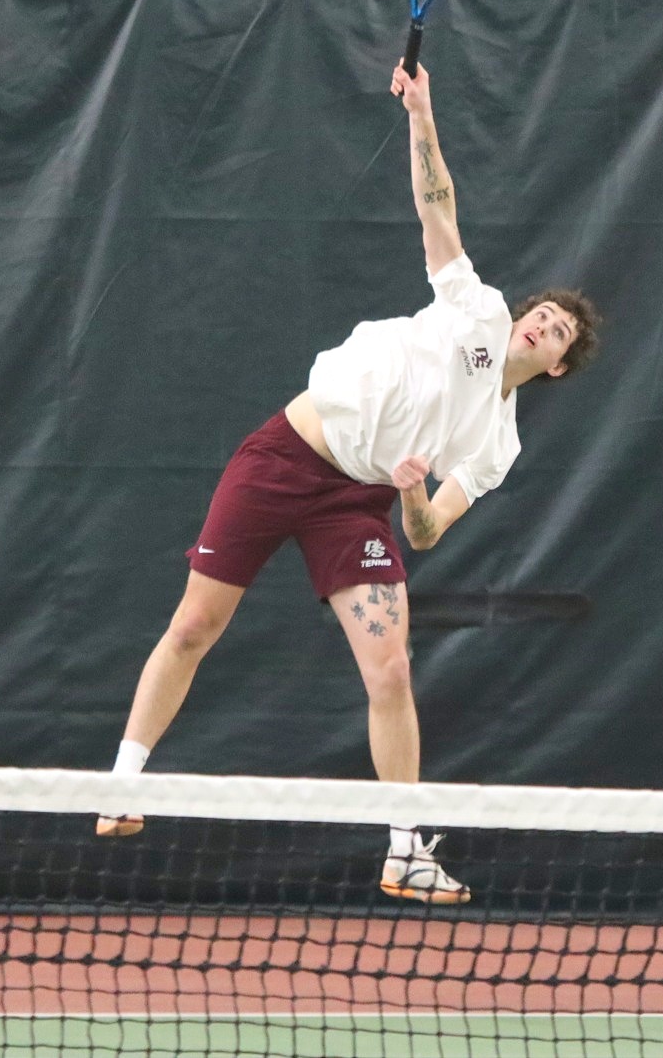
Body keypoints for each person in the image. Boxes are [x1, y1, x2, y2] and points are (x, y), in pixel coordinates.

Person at [97, 62, 601, 907]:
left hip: (357, 502)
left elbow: (428, 532)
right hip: (286, 456)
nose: (545, 323)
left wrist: (410, 495)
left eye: (560, 333)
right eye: (545, 313)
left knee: (392, 671)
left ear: (555, 366)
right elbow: (437, 207)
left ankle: (404, 849)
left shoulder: (497, 444)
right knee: (193, 625)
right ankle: (119, 784)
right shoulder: (477, 309)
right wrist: (422, 113)